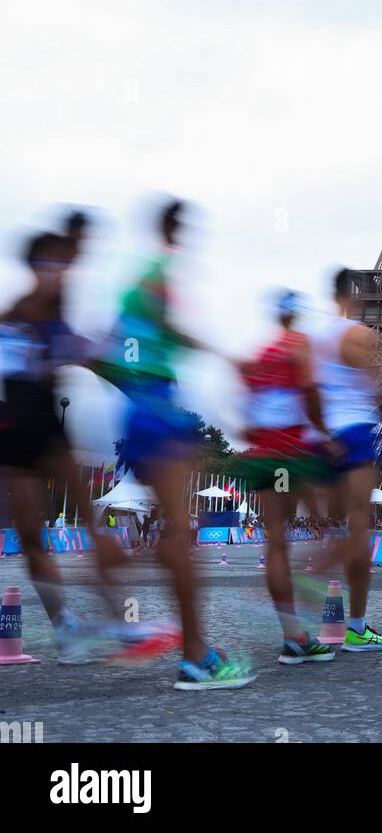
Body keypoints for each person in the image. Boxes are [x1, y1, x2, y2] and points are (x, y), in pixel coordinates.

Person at [92, 198, 254, 690]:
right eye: (183, 228)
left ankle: (128, 613)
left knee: (170, 532)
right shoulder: (159, 273)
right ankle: (195, 656)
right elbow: (171, 330)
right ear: (173, 229)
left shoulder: (131, 286)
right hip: (160, 410)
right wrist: (216, 351)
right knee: (183, 534)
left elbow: (107, 357)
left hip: (140, 412)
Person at [0, 219, 136, 663]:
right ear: (40, 264)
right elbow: (67, 350)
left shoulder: (44, 301)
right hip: (20, 427)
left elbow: (67, 350)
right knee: (33, 537)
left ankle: (115, 619)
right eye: (55, 262)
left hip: (36, 423)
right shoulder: (26, 306)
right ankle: (67, 629)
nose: (62, 271)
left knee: (92, 528)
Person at [234, 288, 335, 665]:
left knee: (276, 542)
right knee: (334, 529)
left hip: (264, 457)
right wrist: (324, 430)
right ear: (297, 315)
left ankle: (291, 631)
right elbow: (309, 390)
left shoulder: (261, 354)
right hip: (289, 454)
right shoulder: (299, 344)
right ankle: (299, 611)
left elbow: (246, 419)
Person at [309, 268, 382, 651]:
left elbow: (307, 389)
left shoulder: (314, 338)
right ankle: (357, 627)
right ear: (355, 293)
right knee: (359, 526)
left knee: (335, 529)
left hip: (325, 438)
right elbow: (380, 384)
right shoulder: (360, 334)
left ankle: (297, 602)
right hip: (356, 432)